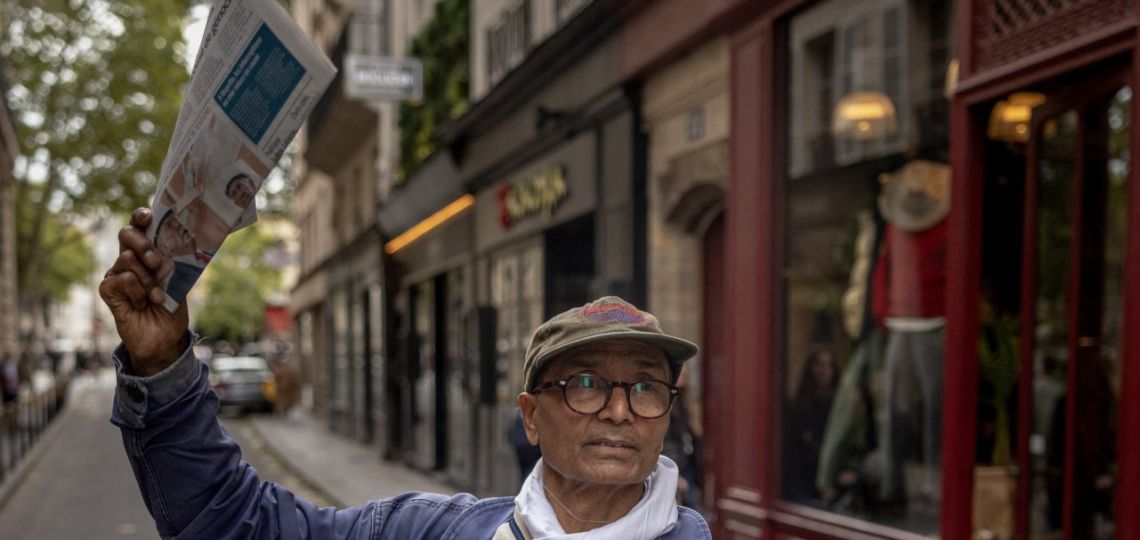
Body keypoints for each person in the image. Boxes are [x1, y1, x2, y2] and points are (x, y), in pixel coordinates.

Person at [99, 208, 712, 539]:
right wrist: (163, 365)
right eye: (586, 384)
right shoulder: (431, 530)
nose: (619, 410)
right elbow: (235, 523)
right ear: (530, 417)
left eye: (645, 386)